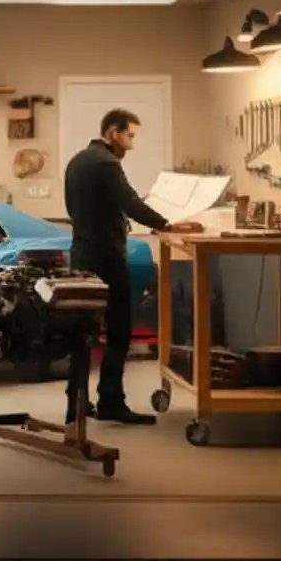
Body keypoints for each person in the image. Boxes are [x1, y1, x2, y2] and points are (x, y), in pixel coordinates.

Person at [63, 108, 185, 425]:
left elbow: (83, 206)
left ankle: (75, 405)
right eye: (129, 136)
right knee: (119, 331)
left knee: (82, 331)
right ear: (113, 133)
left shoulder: (78, 160)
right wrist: (167, 224)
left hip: (82, 254)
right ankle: (111, 403)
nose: (130, 144)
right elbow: (129, 202)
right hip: (107, 257)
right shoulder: (106, 163)